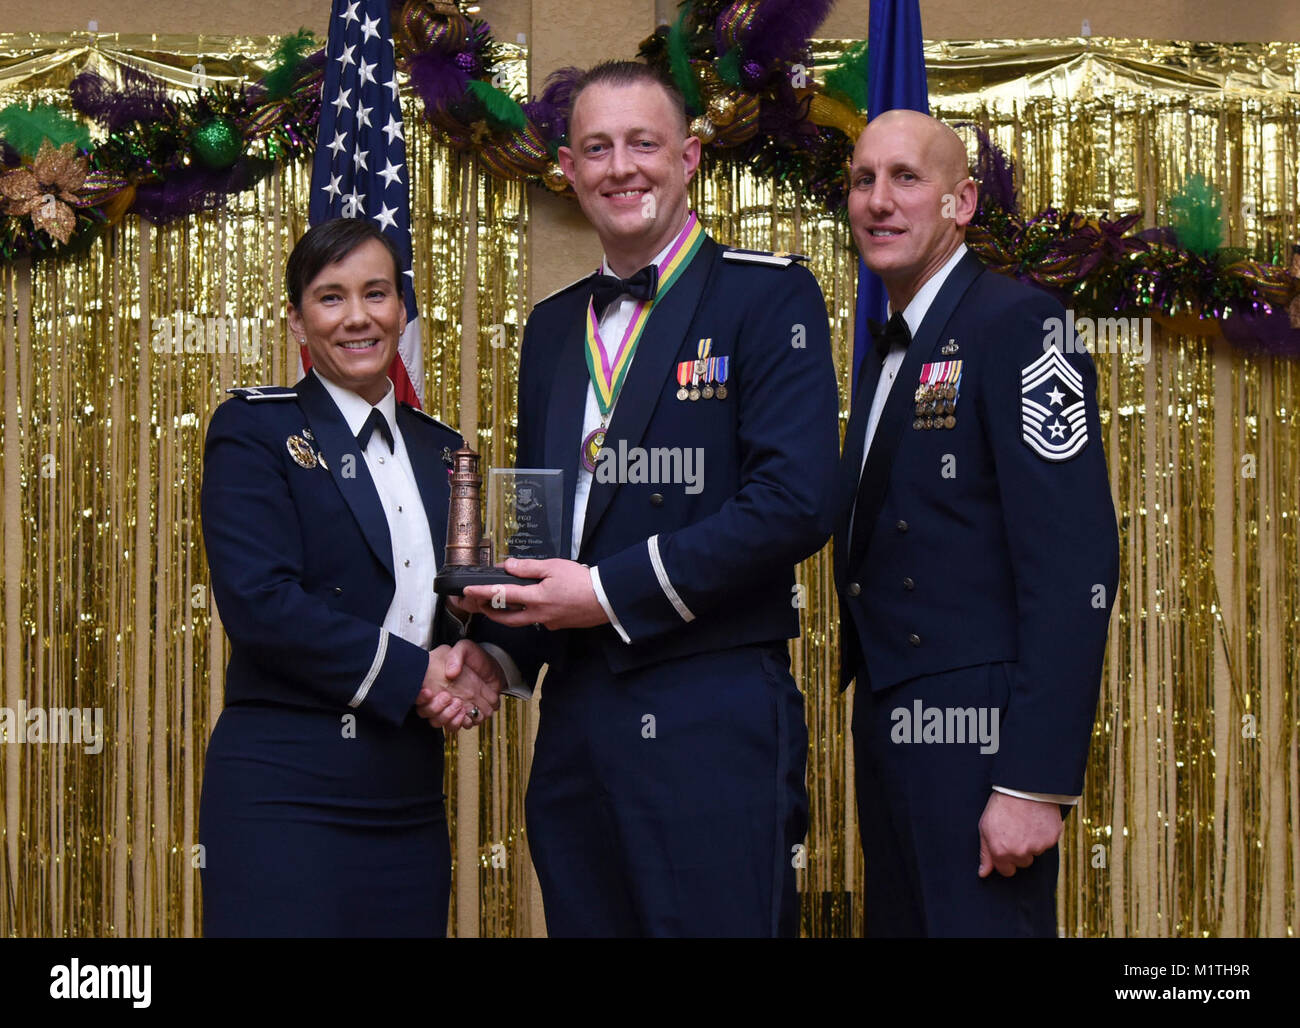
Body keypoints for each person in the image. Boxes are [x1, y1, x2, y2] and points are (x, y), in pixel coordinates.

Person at [458, 61, 839, 937]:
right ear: (569, 168)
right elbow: (540, 513)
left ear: (691, 156)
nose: (621, 167)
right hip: (578, 719)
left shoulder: (767, 291)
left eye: (643, 144)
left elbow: (794, 502)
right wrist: (493, 654)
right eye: (597, 148)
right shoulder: (551, 327)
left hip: (713, 706)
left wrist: (601, 594)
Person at [835, 109, 1120, 937]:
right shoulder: (892, 343)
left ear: (960, 204)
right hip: (892, 724)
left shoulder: (1021, 325)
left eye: (906, 179)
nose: (879, 201)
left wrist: (1033, 781)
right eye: (863, 180)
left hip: (985, 740)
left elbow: (1076, 566)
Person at [198, 217, 514, 937]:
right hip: (285, 786)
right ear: (297, 322)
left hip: (406, 790)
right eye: (330, 298)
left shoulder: (444, 451)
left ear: (403, 311)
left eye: (376, 294)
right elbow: (261, 604)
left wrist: (484, 659)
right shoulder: (255, 430)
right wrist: (418, 678)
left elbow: (462, 597)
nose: (358, 317)